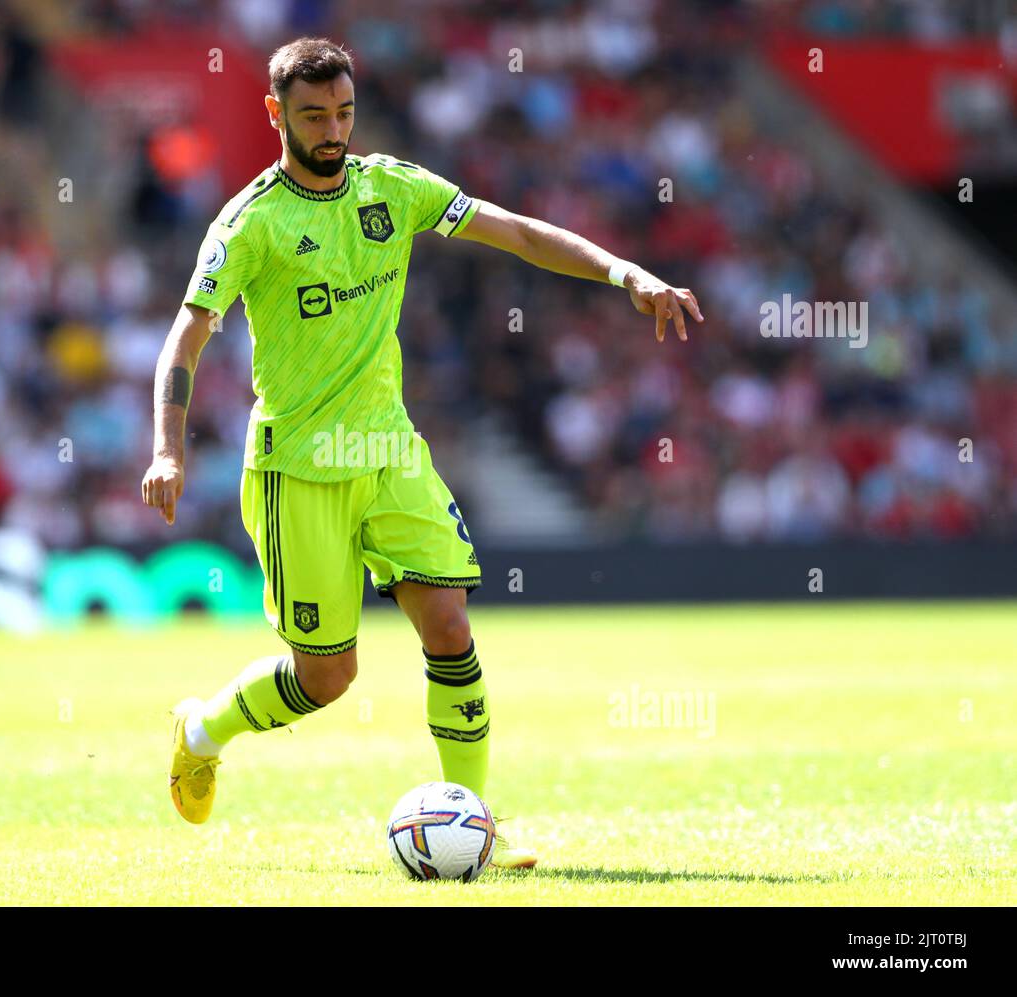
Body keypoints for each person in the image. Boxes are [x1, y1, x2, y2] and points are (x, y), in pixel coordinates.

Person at [141, 37, 702, 869]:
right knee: (329, 679)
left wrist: (625, 273)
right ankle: (202, 728)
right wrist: (167, 450)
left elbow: (513, 232)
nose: (332, 130)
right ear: (275, 115)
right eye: (312, 117)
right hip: (300, 467)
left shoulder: (392, 188)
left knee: (448, 624)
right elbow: (185, 335)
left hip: (391, 451)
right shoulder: (250, 222)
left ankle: (476, 820)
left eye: (342, 113)